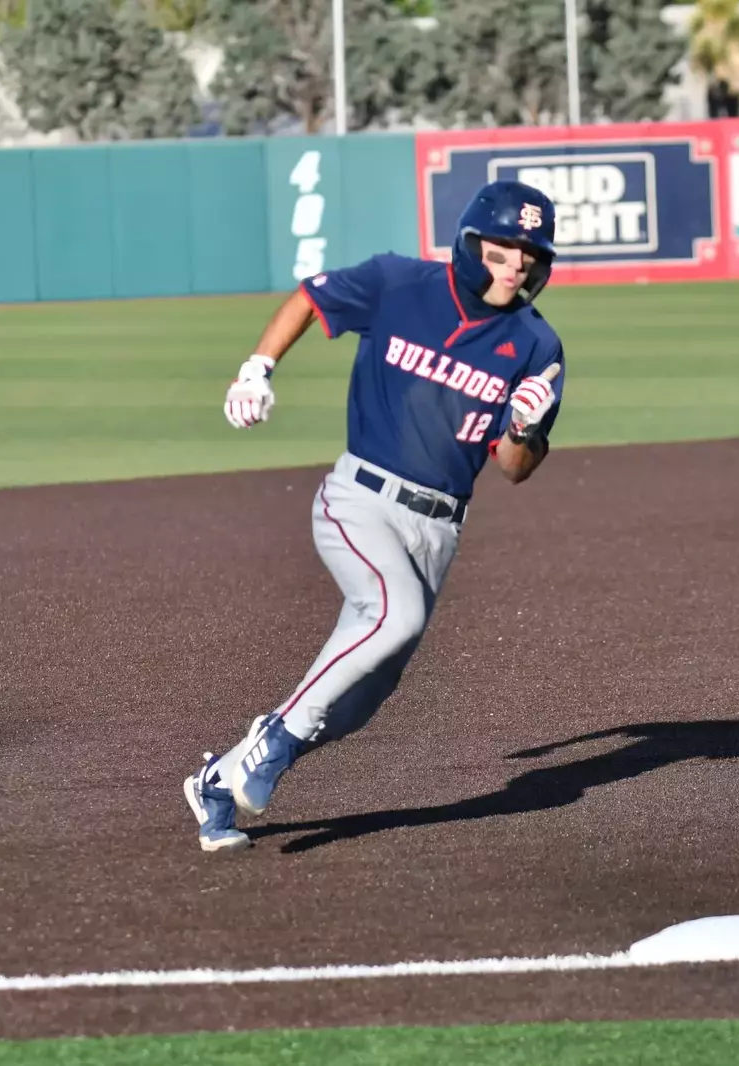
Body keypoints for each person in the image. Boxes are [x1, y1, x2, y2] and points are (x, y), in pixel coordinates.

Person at [183, 180, 568, 854]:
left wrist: (529, 430)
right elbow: (311, 298)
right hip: (359, 499)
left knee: (364, 696)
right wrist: (256, 368)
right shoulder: (399, 283)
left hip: (439, 529)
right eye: (505, 250)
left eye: (531, 256)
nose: (518, 266)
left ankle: (219, 780)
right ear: (472, 242)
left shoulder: (537, 347)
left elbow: (513, 467)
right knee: (397, 616)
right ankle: (272, 743)